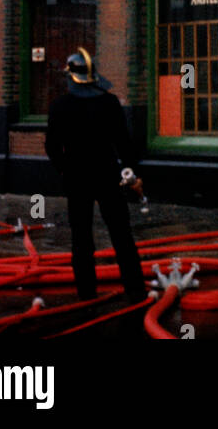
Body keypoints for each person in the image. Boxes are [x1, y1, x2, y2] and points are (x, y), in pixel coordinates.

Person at [45, 46, 148, 304]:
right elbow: (125, 143)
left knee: (81, 237)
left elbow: (51, 146)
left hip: (76, 178)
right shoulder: (110, 103)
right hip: (107, 175)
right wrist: (132, 173)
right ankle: (135, 289)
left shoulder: (59, 107)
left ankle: (86, 293)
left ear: (70, 77)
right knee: (121, 234)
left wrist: (64, 169)